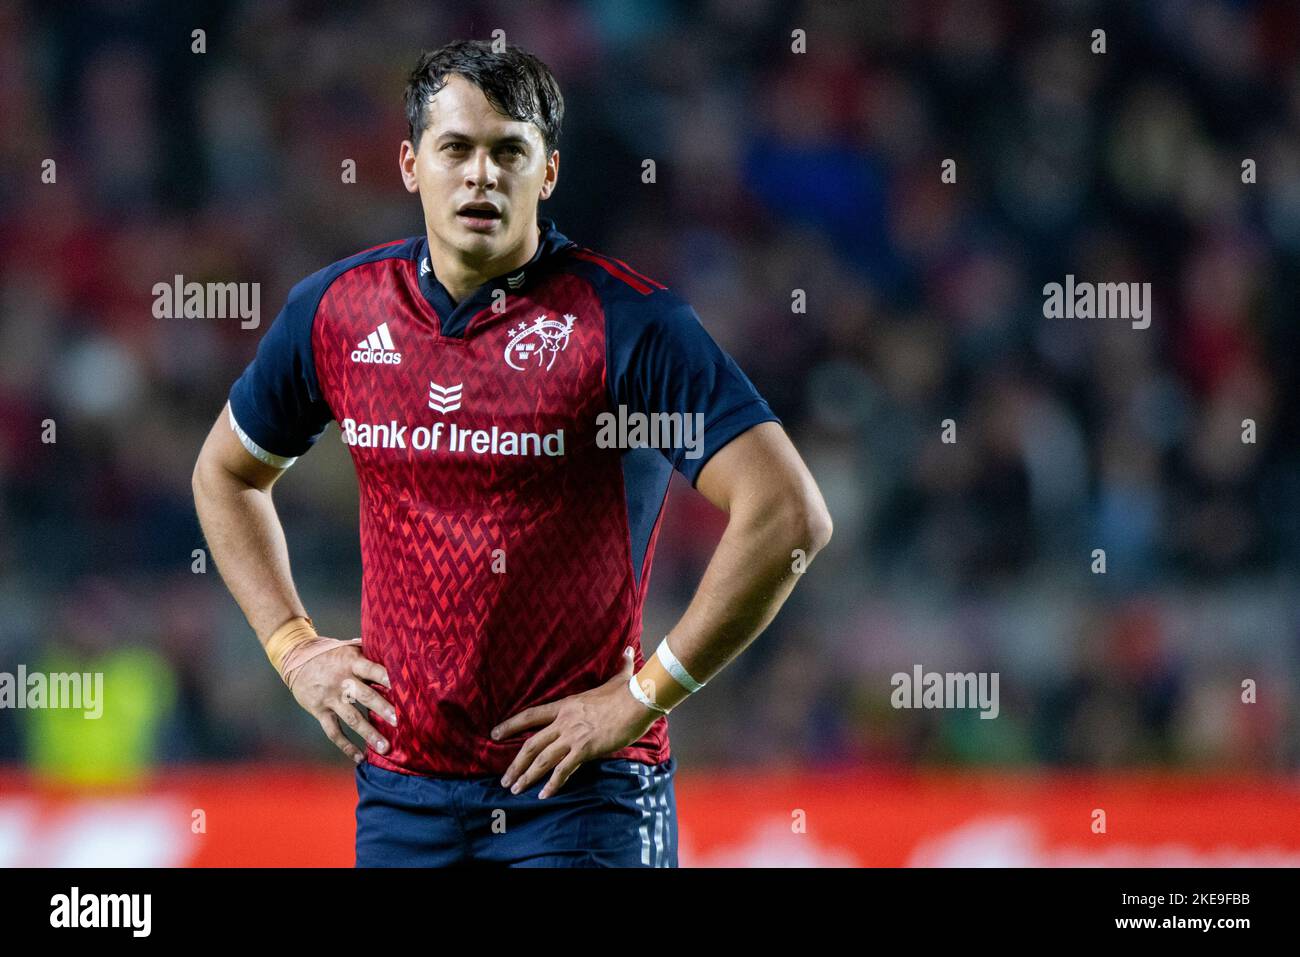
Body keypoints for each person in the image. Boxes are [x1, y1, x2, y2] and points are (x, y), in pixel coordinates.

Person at [192, 39, 832, 867]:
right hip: (402, 792)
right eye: (456, 148)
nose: (481, 175)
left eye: (509, 151)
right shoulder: (338, 314)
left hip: (579, 796)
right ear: (410, 164)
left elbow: (788, 515)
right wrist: (292, 647)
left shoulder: (628, 323)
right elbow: (227, 472)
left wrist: (641, 696)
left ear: (549, 172)